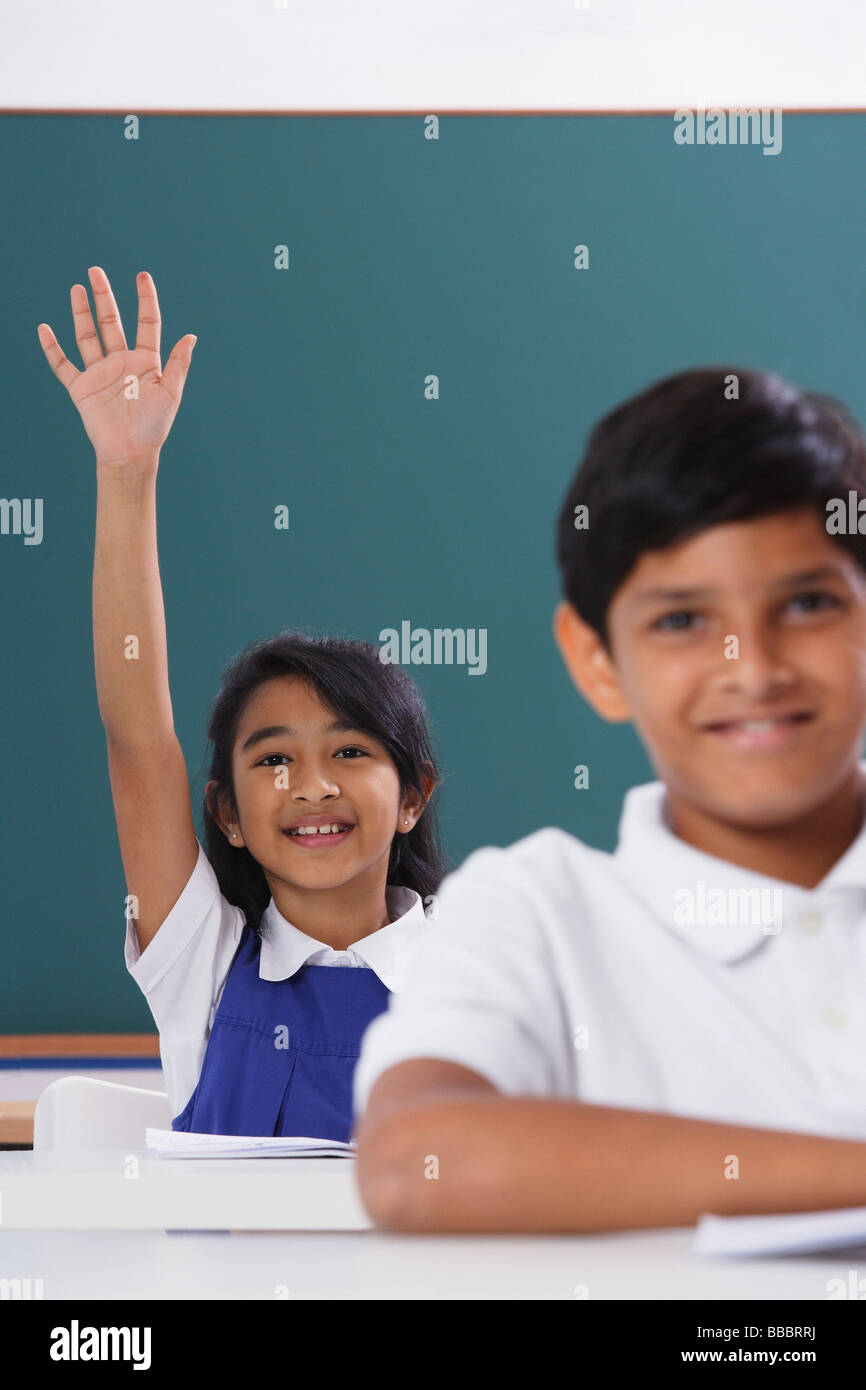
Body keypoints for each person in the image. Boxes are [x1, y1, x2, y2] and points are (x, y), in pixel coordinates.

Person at [353, 365, 866, 1229]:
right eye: (681, 621)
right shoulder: (539, 912)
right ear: (598, 661)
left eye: (809, 602)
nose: (756, 669)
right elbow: (414, 1162)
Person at [37, 266, 444, 1140]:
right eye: (272, 760)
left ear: (412, 796)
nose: (312, 785)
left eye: (351, 752)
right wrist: (127, 472)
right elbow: (137, 735)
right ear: (225, 813)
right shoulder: (205, 963)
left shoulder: (480, 973)